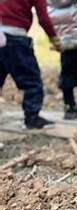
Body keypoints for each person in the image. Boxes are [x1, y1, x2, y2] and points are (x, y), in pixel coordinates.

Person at [0, 0, 61, 129]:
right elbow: (43, 17)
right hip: (15, 37)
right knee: (31, 81)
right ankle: (32, 118)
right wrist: (54, 39)